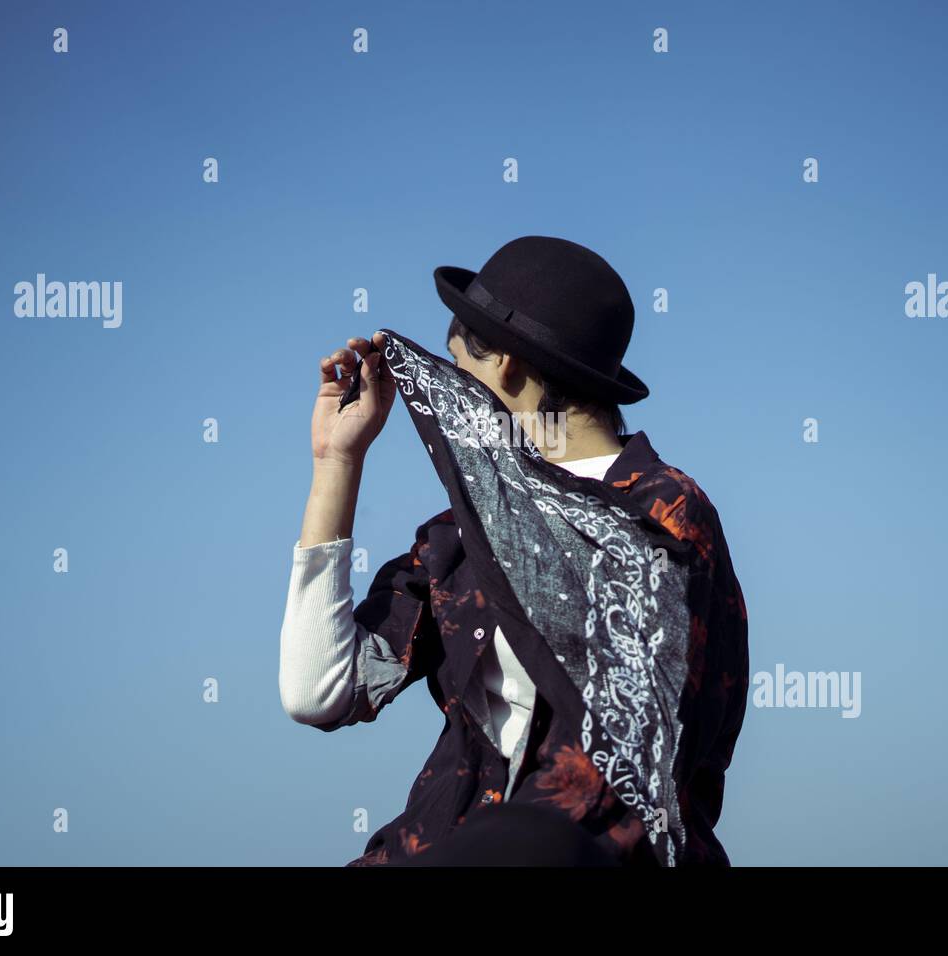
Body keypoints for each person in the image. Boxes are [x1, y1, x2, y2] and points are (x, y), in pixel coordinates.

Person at [279, 236, 750, 866]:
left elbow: (630, 753)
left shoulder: (663, 514)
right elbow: (320, 693)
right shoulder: (457, 536)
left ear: (503, 367)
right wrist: (337, 461)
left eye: (458, 366)